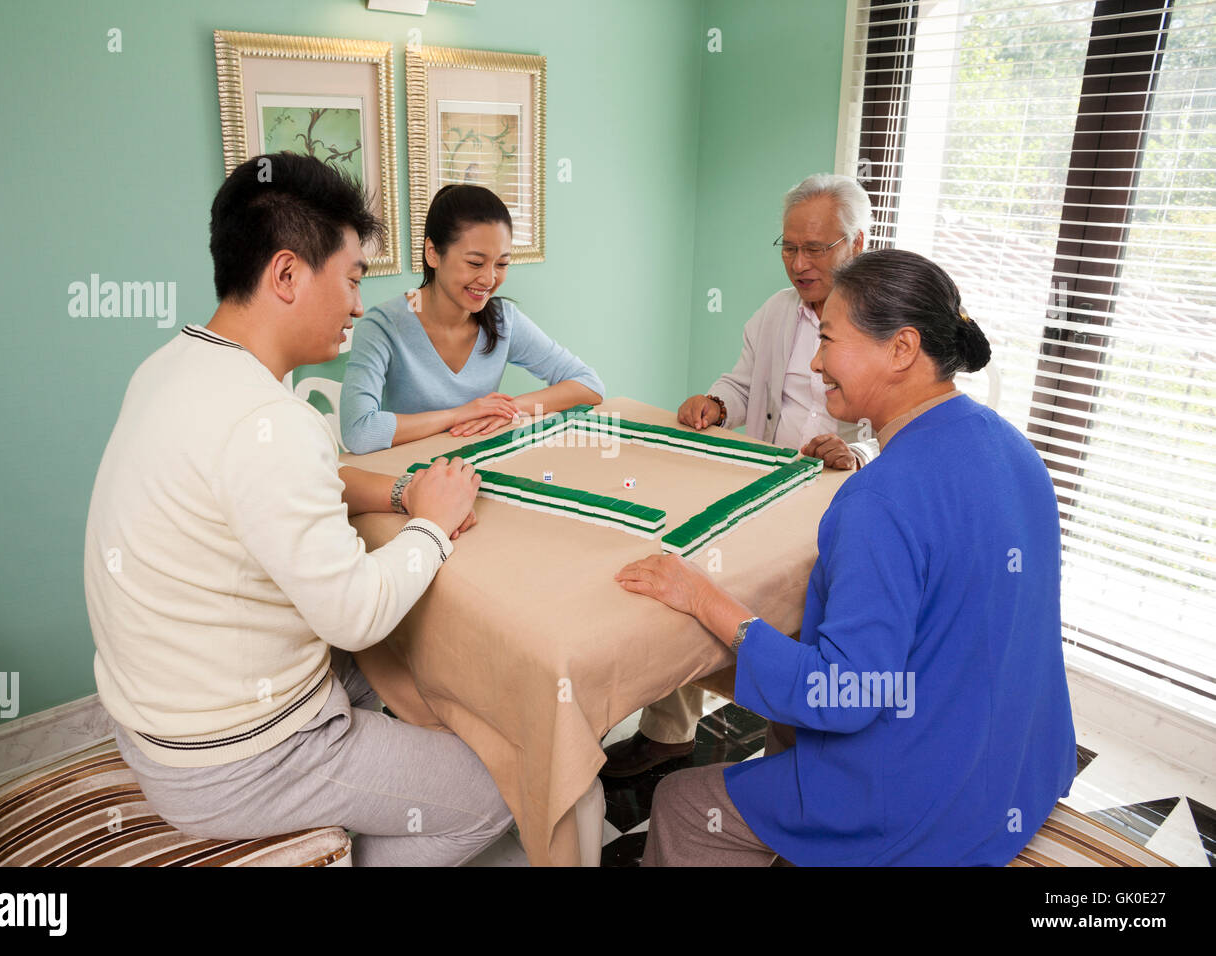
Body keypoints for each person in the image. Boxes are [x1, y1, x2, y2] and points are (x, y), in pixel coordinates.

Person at [83, 152, 515, 866]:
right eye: (350, 279)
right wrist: (433, 526)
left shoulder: (176, 367)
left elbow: (284, 482)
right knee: (495, 790)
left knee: (405, 668)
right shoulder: (266, 420)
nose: (355, 305)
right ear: (286, 274)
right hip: (234, 762)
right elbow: (353, 612)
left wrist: (403, 492)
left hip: (162, 720)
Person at [617, 249, 1078, 866]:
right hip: (1025, 760)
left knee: (680, 800)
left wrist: (704, 596)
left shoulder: (879, 500)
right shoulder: (1012, 446)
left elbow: (844, 696)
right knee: (787, 728)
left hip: (928, 808)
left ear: (901, 348)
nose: (815, 361)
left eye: (829, 340)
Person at [603, 173, 881, 777]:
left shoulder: (885, 323)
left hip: (836, 497)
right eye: (788, 247)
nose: (798, 263)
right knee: (688, 569)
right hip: (762, 482)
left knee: (797, 613)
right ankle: (670, 731)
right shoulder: (776, 313)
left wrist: (856, 455)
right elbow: (741, 379)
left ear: (856, 244)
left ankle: (791, 762)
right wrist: (718, 403)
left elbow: (907, 431)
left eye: (814, 248)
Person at [339, 185, 605, 455]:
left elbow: (589, 385)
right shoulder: (383, 326)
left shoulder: (503, 320)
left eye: (501, 264)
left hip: (481, 468)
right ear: (433, 253)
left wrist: (510, 409)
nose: (489, 280)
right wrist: (460, 415)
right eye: (476, 263)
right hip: (410, 478)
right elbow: (359, 431)